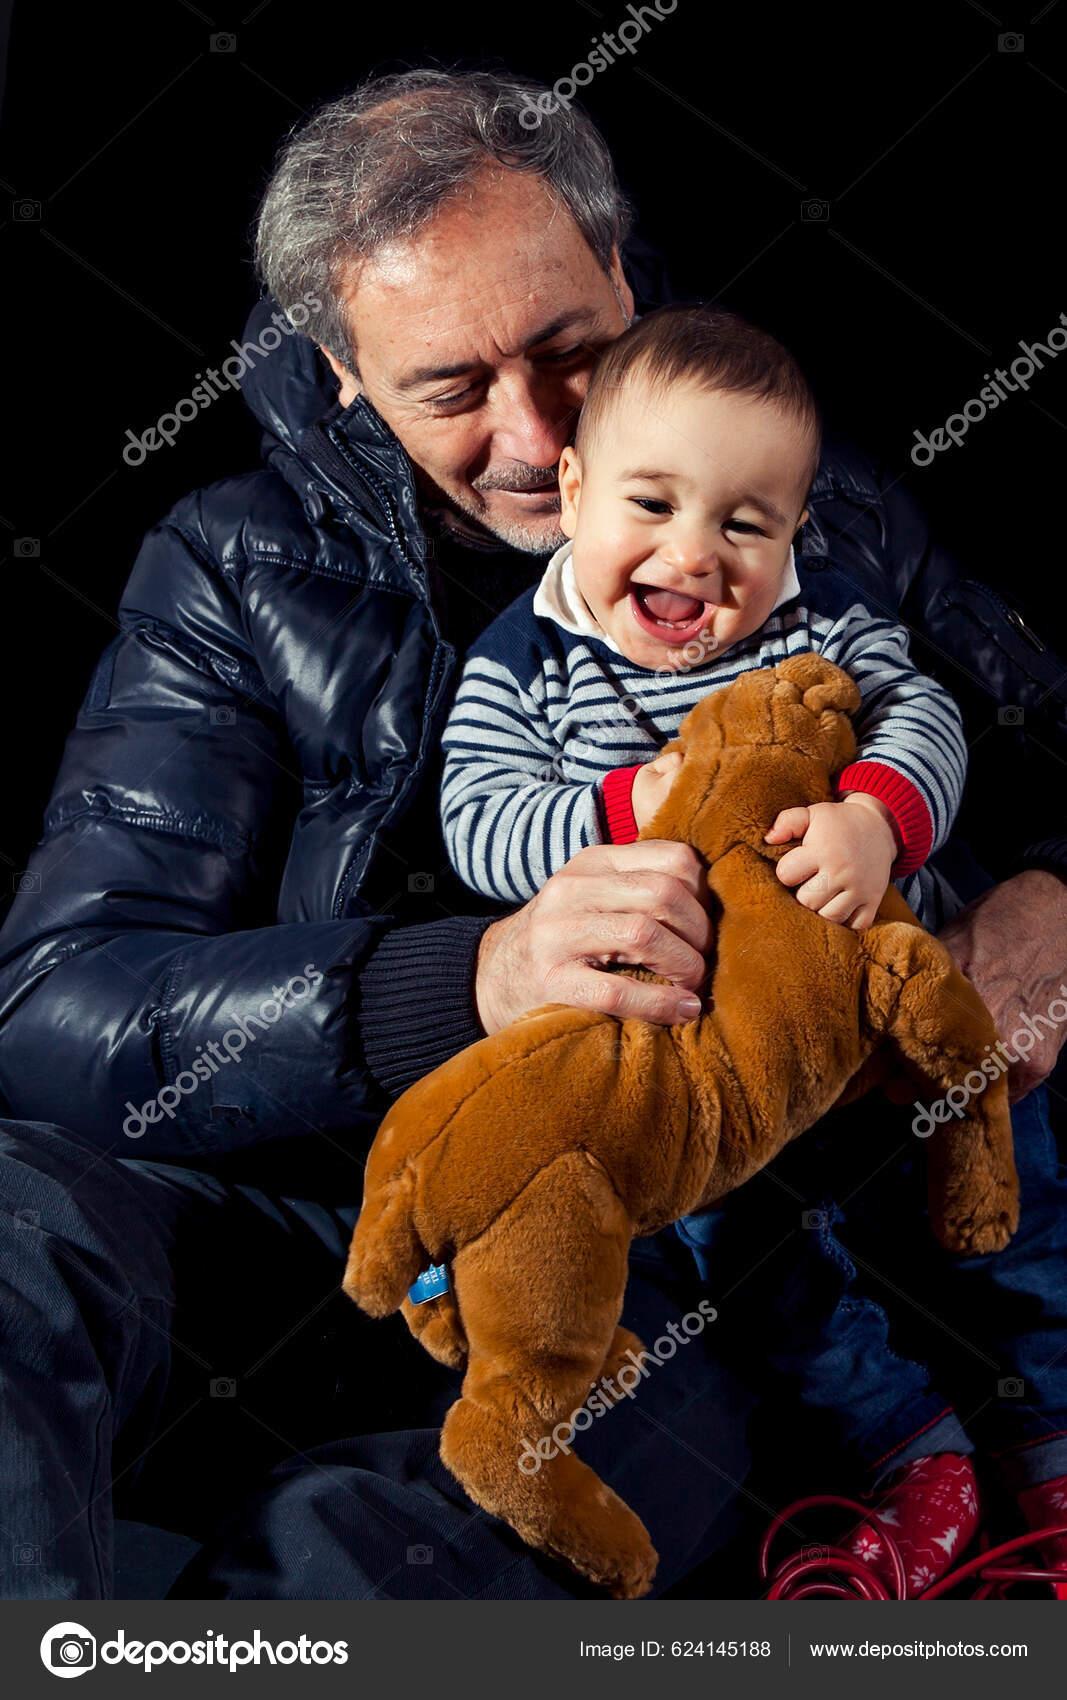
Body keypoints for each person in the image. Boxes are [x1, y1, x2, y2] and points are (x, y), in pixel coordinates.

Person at [0, 68, 1063, 1600]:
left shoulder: (797, 502)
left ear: (623, 268)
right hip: (300, 1212)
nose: (537, 435)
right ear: (341, 370)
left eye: (572, 348)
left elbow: (1023, 749)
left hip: (657, 1260)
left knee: (403, 1550)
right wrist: (470, 980)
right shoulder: (228, 569)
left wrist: (1050, 898)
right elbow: (53, 1013)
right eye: (451, 387)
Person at [436, 301, 1067, 1595]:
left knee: (1014, 1192)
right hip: (703, 1062)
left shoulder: (823, 615)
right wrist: (623, 814)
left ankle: (1050, 1438)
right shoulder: (527, 663)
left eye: (743, 522)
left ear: (792, 526)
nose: (694, 558)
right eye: (651, 506)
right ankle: (914, 1459)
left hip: (894, 994)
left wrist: (878, 821)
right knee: (765, 1272)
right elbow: (480, 820)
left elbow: (923, 717)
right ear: (572, 487)